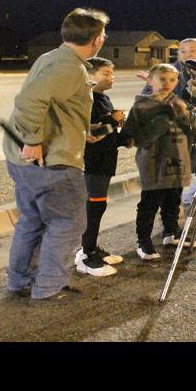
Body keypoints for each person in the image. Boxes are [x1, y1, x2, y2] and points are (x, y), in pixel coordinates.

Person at [2, 7, 109, 303]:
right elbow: (29, 101)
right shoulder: (69, 68)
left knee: (32, 221)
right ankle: (48, 288)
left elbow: (52, 105)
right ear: (97, 40)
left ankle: (19, 281)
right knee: (68, 223)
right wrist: (34, 139)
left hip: (25, 160)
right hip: (53, 162)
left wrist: (81, 130)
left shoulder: (50, 58)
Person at [121, 64, 196, 260]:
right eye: (162, 79)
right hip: (154, 161)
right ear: (150, 81)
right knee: (150, 202)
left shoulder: (180, 103)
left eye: (172, 80)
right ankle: (143, 241)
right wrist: (159, 122)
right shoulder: (141, 106)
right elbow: (129, 137)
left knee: (173, 198)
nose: (167, 84)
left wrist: (184, 114)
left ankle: (171, 232)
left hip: (178, 158)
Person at [74, 57, 126, 277]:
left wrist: (124, 137)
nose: (111, 78)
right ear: (90, 75)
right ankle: (86, 255)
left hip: (105, 161)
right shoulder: (88, 99)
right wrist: (113, 122)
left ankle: (92, 247)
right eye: (106, 73)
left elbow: (107, 133)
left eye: (111, 73)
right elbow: (90, 135)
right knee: (94, 208)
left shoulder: (102, 98)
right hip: (93, 162)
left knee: (98, 206)